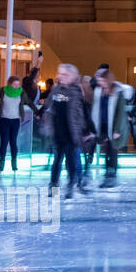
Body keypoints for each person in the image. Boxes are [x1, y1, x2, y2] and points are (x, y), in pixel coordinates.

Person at [44, 64, 90, 200]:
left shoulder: (76, 92)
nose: (61, 77)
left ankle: (71, 185)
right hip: (58, 132)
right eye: (61, 74)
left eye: (65, 74)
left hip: (71, 133)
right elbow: (48, 107)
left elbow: (80, 113)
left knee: (70, 161)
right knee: (56, 161)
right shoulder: (56, 90)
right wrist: (48, 124)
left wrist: (84, 131)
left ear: (72, 76)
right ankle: (53, 187)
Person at [89, 69, 130, 189]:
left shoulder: (117, 92)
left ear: (107, 80)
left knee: (112, 151)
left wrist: (117, 130)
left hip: (114, 126)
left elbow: (120, 113)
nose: (100, 83)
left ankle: (111, 176)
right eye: (99, 80)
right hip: (102, 125)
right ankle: (107, 175)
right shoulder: (98, 91)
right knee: (105, 151)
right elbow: (95, 109)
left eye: (102, 80)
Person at [0, 76, 25, 173]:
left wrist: (38, 111)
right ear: (10, 84)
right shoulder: (3, 91)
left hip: (15, 121)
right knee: (4, 142)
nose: (17, 86)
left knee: (13, 142)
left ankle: (14, 164)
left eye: (18, 84)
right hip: (4, 120)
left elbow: (28, 101)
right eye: (15, 84)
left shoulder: (21, 92)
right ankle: (1, 163)